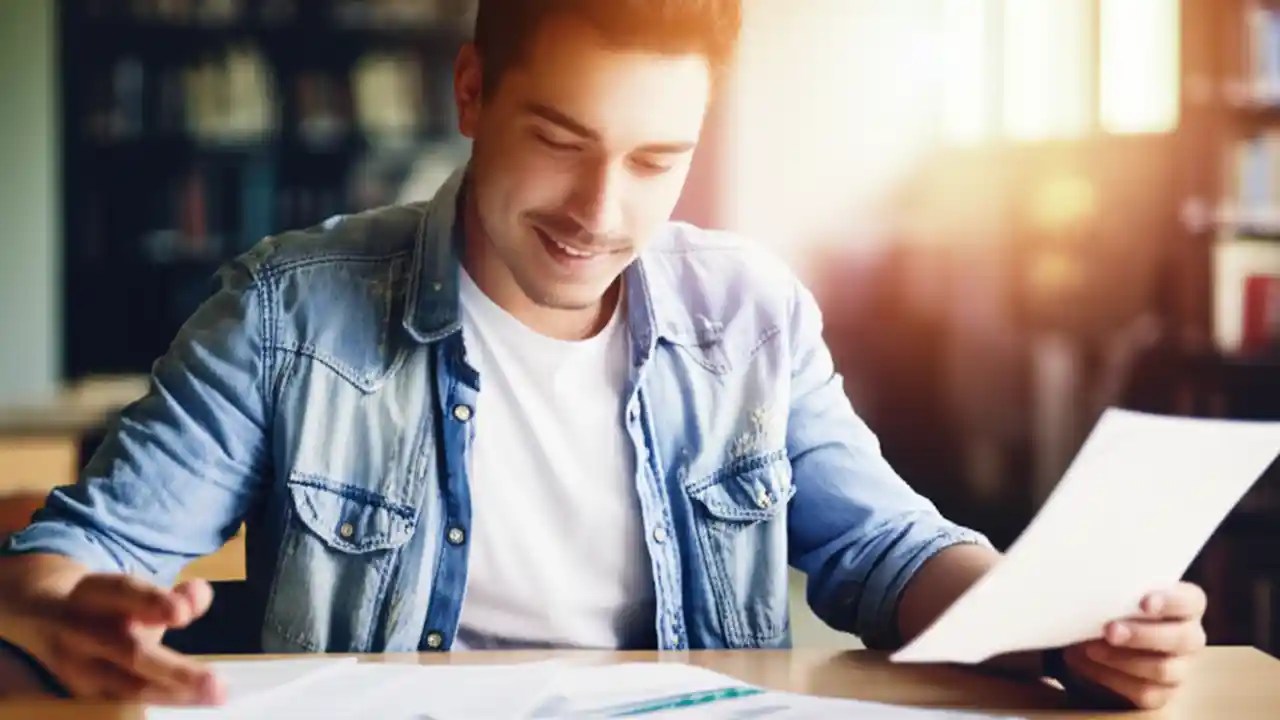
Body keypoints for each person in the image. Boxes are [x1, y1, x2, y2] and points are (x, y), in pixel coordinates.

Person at [0, 0, 1206, 709]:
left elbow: (881, 549)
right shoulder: (287, 312)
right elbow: (74, 555)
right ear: (471, 91)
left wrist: (1054, 623)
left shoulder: (750, 314)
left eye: (653, 160)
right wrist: (67, 613)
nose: (599, 210)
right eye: (560, 140)